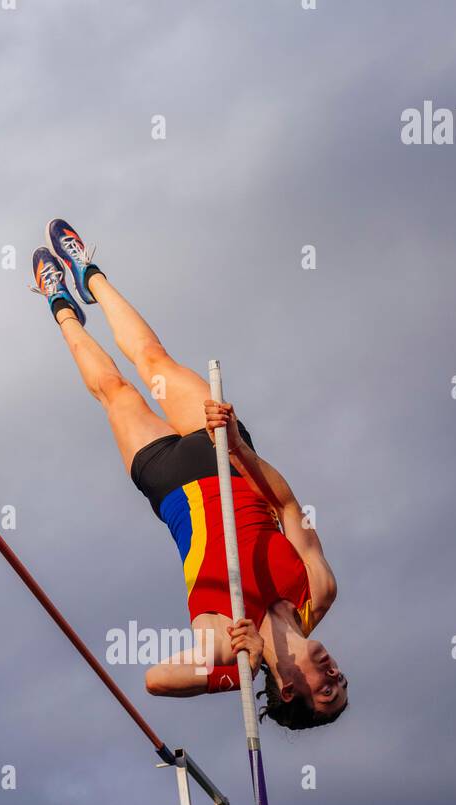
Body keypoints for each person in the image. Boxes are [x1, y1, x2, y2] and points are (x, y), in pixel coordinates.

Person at [31, 221, 348, 730]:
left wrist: (239, 674)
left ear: (288, 690)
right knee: (153, 359)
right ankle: (86, 271)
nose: (336, 674)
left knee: (115, 390)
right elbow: (289, 507)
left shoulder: (226, 643)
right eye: (344, 681)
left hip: (169, 484)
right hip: (226, 455)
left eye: (327, 689)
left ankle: (59, 307)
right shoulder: (319, 590)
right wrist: (241, 449)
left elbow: (156, 680)